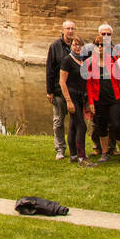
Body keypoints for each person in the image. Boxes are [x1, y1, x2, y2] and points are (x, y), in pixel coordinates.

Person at [85, 33, 120, 164]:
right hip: (99, 100)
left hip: (114, 99)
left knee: (116, 125)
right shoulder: (90, 63)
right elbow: (89, 84)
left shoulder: (113, 61)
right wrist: (91, 102)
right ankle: (104, 152)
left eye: (102, 45)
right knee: (101, 126)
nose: (100, 47)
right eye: (97, 45)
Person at [44, 20, 78, 160]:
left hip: (75, 91)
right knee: (58, 121)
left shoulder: (78, 46)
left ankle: (76, 149)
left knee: (76, 121)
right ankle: (60, 149)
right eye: (68, 28)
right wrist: (49, 90)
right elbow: (50, 70)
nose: (70, 31)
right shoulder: (55, 46)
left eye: (72, 28)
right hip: (58, 91)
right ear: (63, 30)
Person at [59, 35, 92, 165]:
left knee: (73, 126)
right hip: (71, 97)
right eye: (75, 45)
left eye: (79, 45)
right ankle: (81, 157)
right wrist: (68, 101)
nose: (77, 47)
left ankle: (73, 155)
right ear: (71, 46)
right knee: (81, 126)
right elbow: (62, 82)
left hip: (80, 97)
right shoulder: (67, 60)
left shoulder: (84, 60)